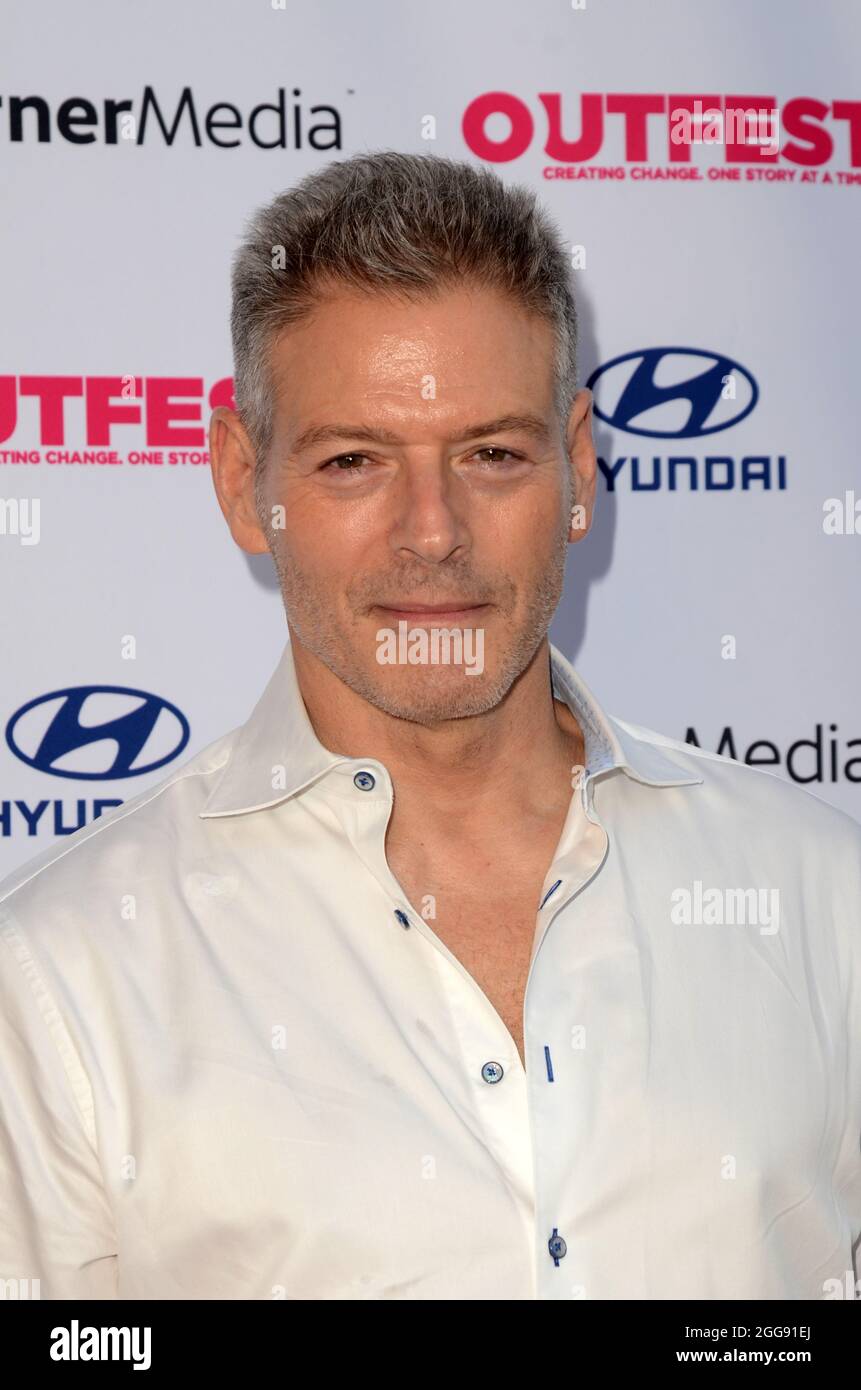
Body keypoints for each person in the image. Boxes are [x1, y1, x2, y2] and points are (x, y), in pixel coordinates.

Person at [1, 151, 859, 1301]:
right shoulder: (63, 977)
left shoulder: (819, 896)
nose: (433, 533)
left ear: (579, 468)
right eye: (353, 461)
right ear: (241, 480)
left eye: (492, 454)